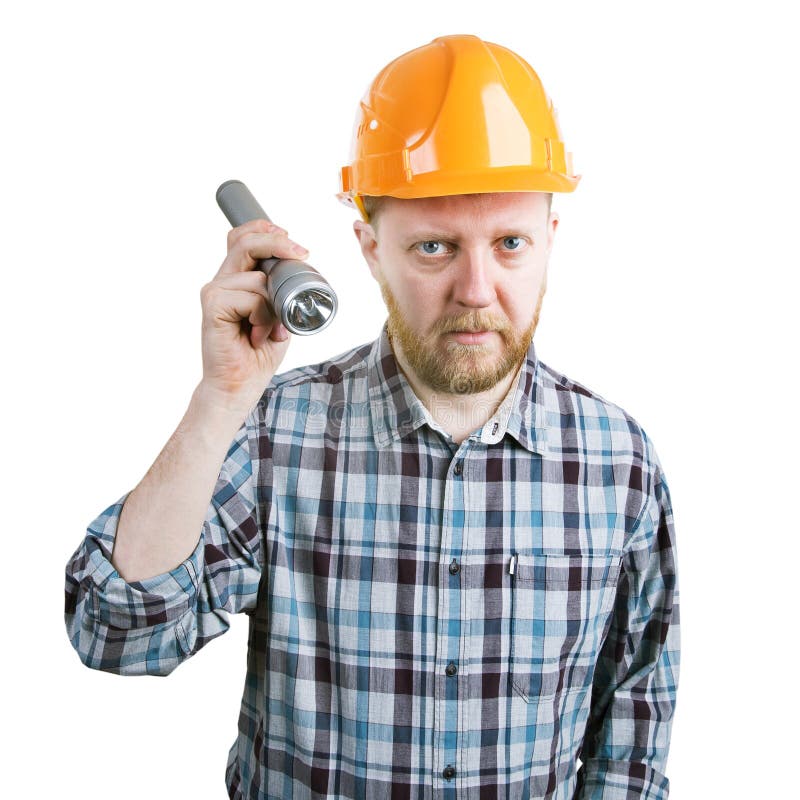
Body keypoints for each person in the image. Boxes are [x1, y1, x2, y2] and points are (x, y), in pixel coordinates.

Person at [64, 33, 680, 799]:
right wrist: (219, 401)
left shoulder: (618, 462)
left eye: (510, 243)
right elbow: (116, 633)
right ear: (369, 248)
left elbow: (632, 726)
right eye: (433, 247)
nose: (477, 288)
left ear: (551, 240)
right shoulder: (270, 434)